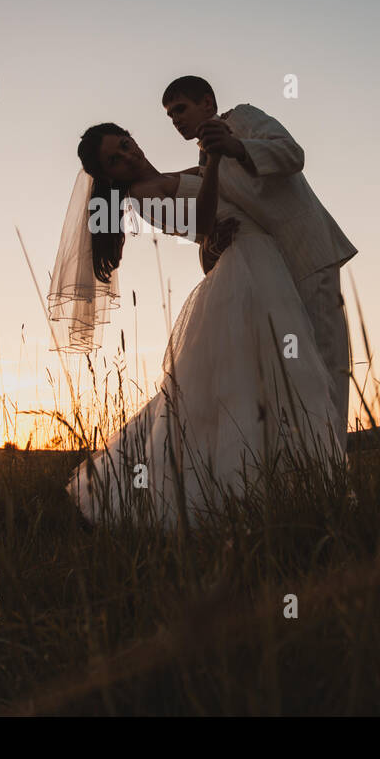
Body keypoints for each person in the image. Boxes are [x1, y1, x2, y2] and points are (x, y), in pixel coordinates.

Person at [51, 122, 345, 531]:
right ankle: (210, 492)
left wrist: (223, 159)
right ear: (109, 177)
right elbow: (205, 220)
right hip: (243, 273)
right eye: (114, 161)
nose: (127, 157)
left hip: (258, 262)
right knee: (241, 386)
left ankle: (282, 488)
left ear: (134, 138)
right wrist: (210, 207)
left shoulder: (173, 176)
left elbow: (225, 199)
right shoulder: (141, 197)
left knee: (262, 381)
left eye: (125, 145)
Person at [161, 76, 357, 449]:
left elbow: (292, 154)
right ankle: (303, 468)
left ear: (207, 102)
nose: (176, 120)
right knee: (292, 373)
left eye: (181, 109)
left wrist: (236, 146)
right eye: (170, 116)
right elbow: (212, 221)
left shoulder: (244, 119)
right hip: (271, 276)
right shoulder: (206, 165)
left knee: (327, 365)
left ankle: (334, 469)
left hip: (307, 254)